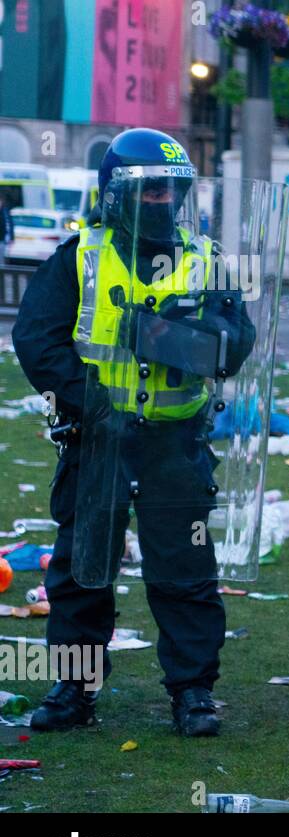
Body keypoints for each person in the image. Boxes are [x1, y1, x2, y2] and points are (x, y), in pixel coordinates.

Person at [13, 128, 255, 736]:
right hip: (98, 439)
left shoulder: (209, 259)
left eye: (171, 190)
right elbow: (37, 339)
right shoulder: (79, 255)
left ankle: (193, 693)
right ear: (117, 194)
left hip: (177, 443)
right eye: (148, 190)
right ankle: (74, 689)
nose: (161, 200)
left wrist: (186, 335)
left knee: (185, 572)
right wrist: (90, 402)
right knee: (81, 570)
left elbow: (237, 343)